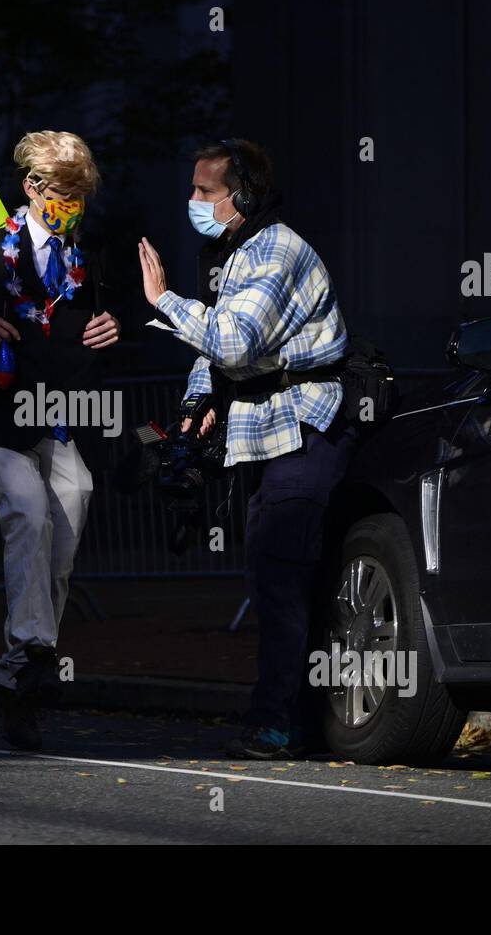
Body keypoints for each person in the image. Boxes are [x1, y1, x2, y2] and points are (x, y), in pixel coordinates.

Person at [137, 138, 356, 760]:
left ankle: (277, 722)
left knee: (280, 575)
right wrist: (194, 409)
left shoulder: (278, 250)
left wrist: (163, 300)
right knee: (277, 576)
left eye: (206, 191)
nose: (193, 201)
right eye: (193, 188)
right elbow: (222, 358)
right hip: (267, 431)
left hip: (305, 427)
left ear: (246, 195)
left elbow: (232, 341)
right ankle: (307, 722)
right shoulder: (239, 254)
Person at [0, 130, 119, 751]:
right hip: (0, 419)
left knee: (72, 506)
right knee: (28, 513)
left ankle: (21, 669)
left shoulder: (86, 258)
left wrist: (113, 329)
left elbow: (102, 330)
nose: (73, 208)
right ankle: (34, 651)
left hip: (58, 414)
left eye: (81, 197)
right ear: (33, 189)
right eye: (64, 194)